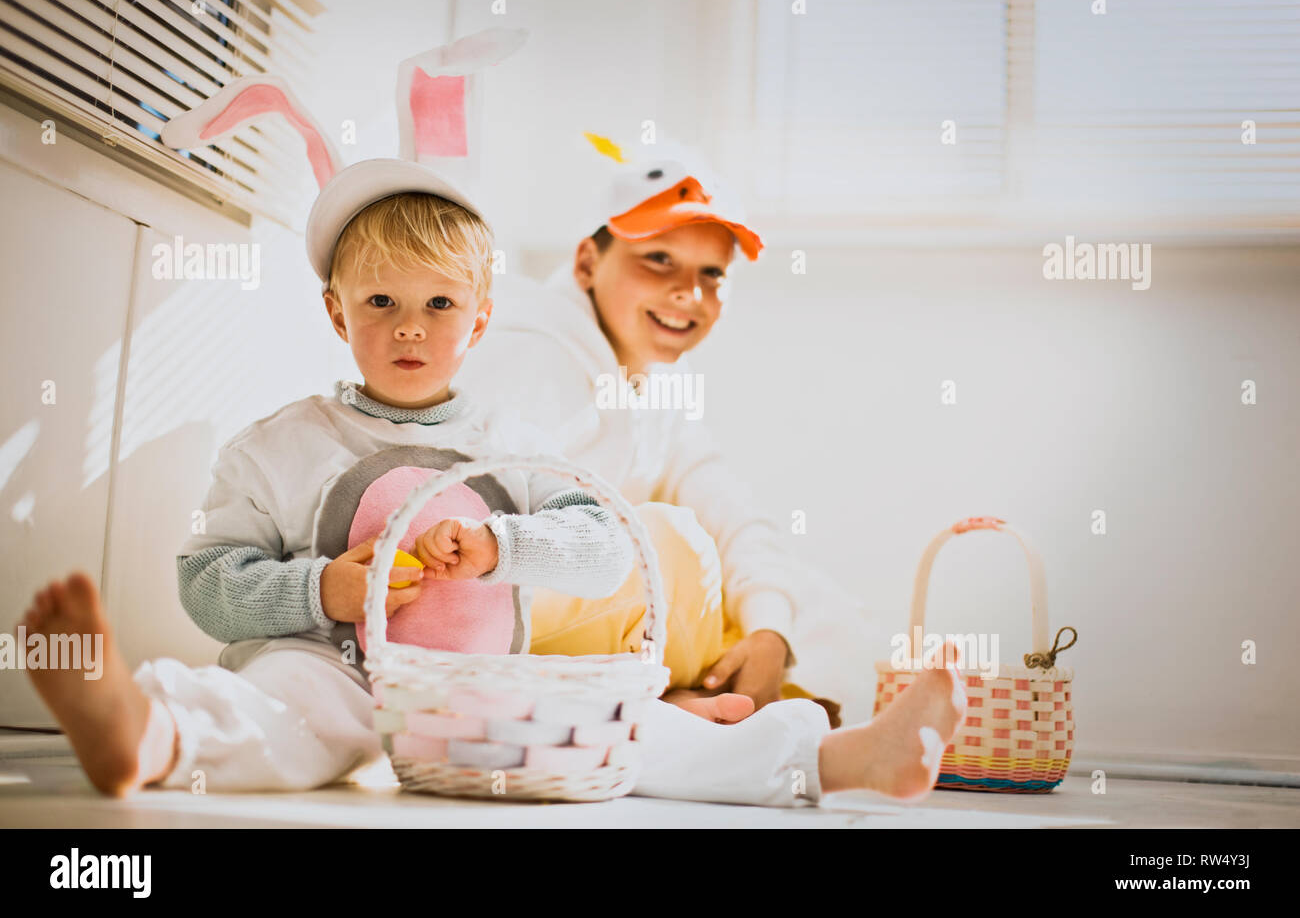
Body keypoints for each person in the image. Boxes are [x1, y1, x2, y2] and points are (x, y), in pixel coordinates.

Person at [17, 161, 967, 806]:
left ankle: (837, 758)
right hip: (338, 665)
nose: (410, 330)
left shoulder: (510, 442)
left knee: (624, 733)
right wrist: (320, 589)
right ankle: (149, 731)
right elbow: (208, 581)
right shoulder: (281, 444)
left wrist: (507, 546)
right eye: (379, 302)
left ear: (479, 323)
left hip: (489, 680)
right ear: (333, 310)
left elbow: (604, 549)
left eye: (439, 306)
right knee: (285, 711)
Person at [454, 140, 848, 721]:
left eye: (712, 273)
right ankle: (688, 704)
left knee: (773, 593)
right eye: (659, 260)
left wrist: (770, 633)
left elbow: (730, 509)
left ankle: (705, 695)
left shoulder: (659, 379)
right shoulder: (536, 357)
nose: (688, 293)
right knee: (670, 541)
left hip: (584, 616)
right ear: (588, 262)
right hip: (487, 615)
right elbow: (477, 544)